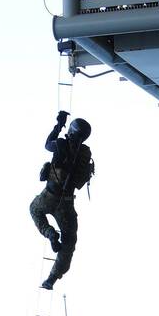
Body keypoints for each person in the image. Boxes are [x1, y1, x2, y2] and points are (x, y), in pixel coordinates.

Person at [30, 110, 94, 290]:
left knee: (35, 209)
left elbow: (47, 144)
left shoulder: (60, 144)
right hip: (66, 204)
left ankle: (49, 233)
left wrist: (58, 125)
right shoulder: (85, 153)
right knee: (69, 243)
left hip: (49, 196)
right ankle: (51, 279)